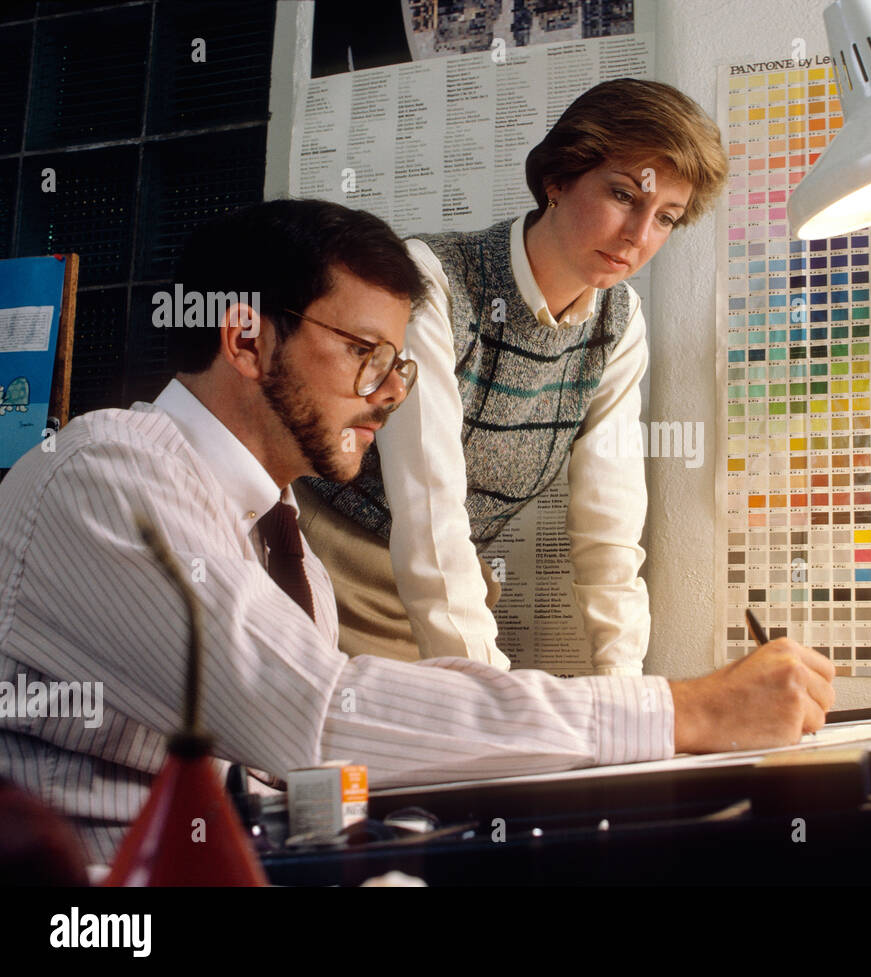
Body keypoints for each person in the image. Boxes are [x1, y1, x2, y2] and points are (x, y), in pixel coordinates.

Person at [0, 200, 833, 864]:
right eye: (365, 352)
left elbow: (297, 766)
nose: (393, 392)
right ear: (246, 339)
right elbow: (319, 720)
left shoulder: (281, 542)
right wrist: (681, 709)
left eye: (399, 364)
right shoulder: (110, 475)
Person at [298, 78, 728, 673]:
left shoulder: (618, 323)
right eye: (624, 195)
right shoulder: (432, 280)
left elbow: (610, 529)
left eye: (666, 218)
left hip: (446, 596)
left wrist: (625, 686)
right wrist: (486, 692)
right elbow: (428, 508)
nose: (638, 236)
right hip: (320, 569)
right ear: (559, 179)